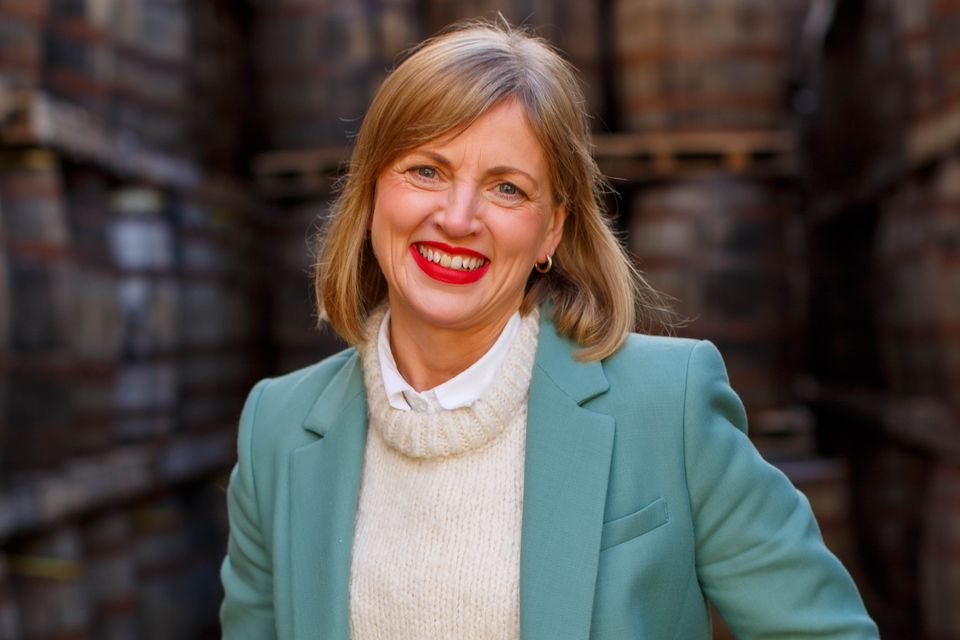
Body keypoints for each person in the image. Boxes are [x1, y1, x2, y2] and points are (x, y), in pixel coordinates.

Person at [220, 19, 879, 640]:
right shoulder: (277, 426)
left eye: (506, 188)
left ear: (552, 230)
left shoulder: (666, 404)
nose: (457, 217)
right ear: (370, 196)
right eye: (427, 170)